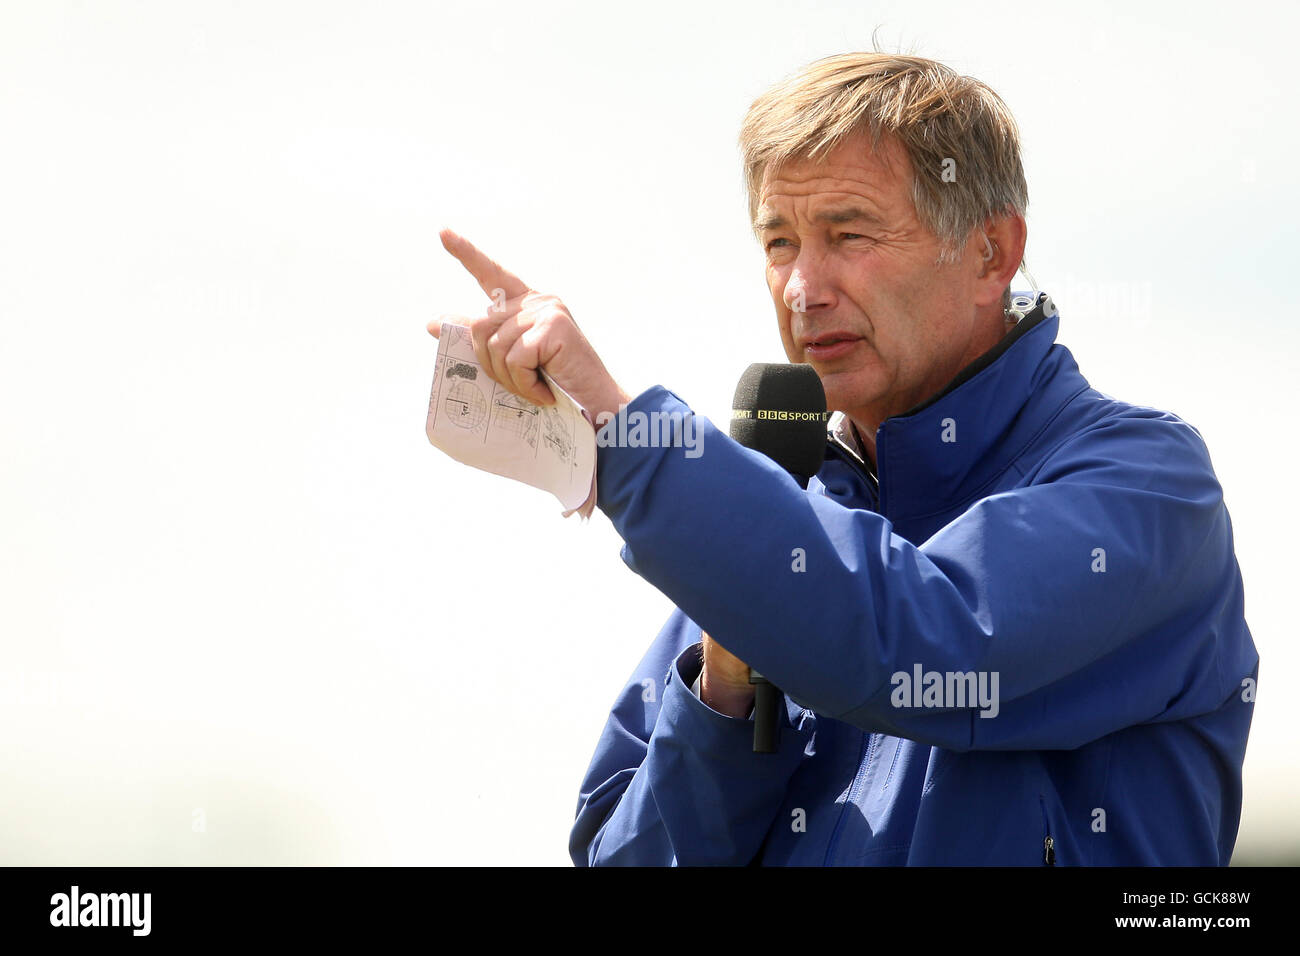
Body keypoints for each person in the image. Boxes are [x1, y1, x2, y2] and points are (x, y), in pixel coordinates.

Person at [428, 52, 1258, 865]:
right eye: (780, 241)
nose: (802, 287)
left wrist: (623, 429)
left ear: (990, 253)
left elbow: (921, 642)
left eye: (849, 233)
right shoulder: (773, 511)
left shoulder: (1151, 486)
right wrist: (725, 691)